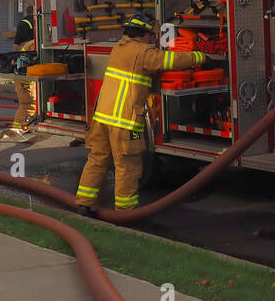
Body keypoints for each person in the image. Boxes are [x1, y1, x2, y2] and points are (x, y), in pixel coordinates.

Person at [75, 12, 210, 215]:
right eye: (150, 35)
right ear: (143, 33)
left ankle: (83, 203)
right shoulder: (144, 53)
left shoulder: (119, 48)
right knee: (128, 165)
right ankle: (125, 212)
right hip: (126, 123)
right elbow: (168, 60)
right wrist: (199, 56)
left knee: (97, 158)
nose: (152, 39)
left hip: (102, 118)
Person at [0, 11, 38, 144]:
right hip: (23, 75)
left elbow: (16, 46)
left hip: (25, 72)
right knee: (28, 103)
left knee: (32, 103)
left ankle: (26, 125)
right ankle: (17, 129)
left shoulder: (31, 42)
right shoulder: (32, 45)